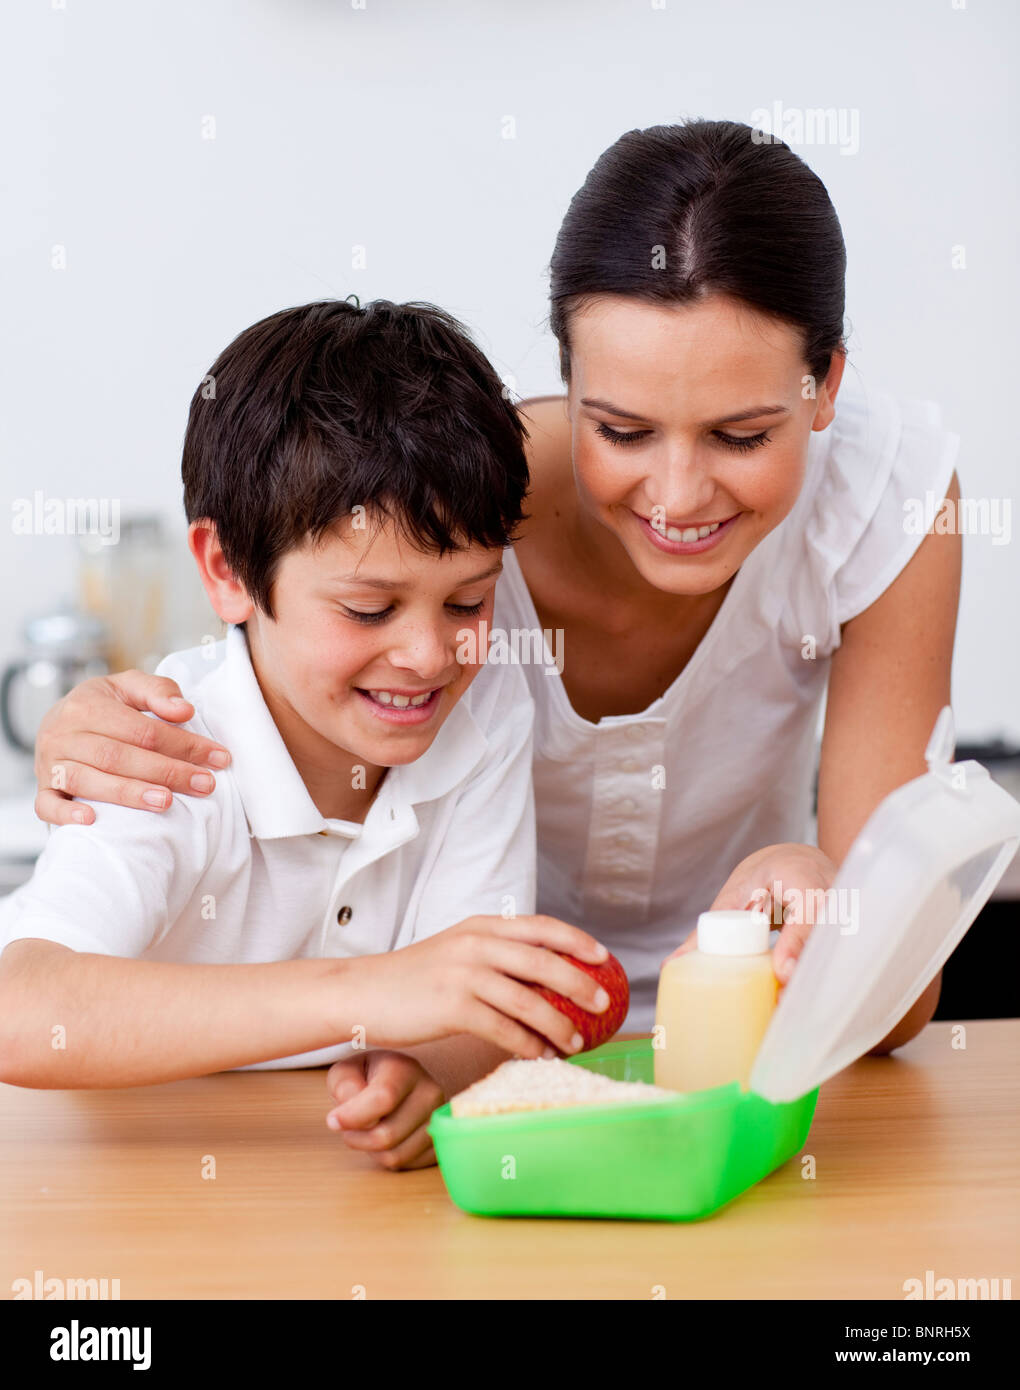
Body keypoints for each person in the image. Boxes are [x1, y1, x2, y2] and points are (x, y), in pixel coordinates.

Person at [31, 119, 962, 1065]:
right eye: (622, 430)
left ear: (825, 384)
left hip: (712, 1050)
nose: (679, 497)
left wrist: (821, 895)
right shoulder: (448, 513)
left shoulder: (881, 500)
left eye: (742, 436)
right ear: (565, 375)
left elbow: (896, 996)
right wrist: (91, 722)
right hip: (498, 1058)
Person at [0, 298, 614, 1172]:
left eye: (468, 601)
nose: (428, 655)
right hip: (124, 1177)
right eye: (368, 608)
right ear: (228, 571)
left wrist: (428, 1071)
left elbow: (471, 997)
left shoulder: (484, 713)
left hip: (318, 1188)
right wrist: (366, 993)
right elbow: (23, 1012)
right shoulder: (163, 749)